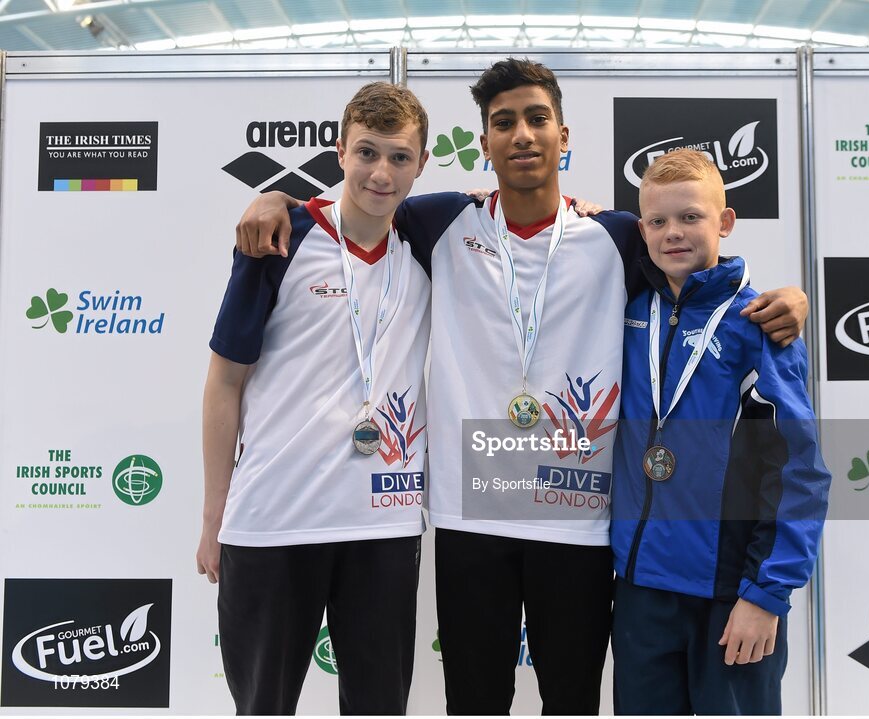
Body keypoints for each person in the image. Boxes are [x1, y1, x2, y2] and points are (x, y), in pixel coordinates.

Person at [234, 59, 809, 715]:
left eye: (538, 119)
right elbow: (358, 202)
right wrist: (273, 200)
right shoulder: (441, 222)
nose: (523, 134)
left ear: (564, 137)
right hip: (470, 517)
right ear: (484, 144)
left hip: (578, 523)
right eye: (503, 122)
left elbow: (700, 270)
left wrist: (789, 298)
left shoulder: (619, 234)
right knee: (475, 703)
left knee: (571, 703)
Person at [196, 82, 431, 715]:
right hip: (274, 519)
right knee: (263, 707)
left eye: (400, 157)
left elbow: (514, 215)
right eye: (367, 153)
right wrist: (214, 516)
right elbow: (224, 381)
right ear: (339, 152)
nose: (382, 173)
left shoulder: (428, 243)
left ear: (422, 163)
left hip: (381, 523)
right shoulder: (278, 238)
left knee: (379, 706)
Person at [610, 149, 830, 714]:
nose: (673, 232)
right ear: (642, 231)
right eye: (657, 222)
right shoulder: (629, 310)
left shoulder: (758, 325)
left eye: (690, 217)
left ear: (724, 223)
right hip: (641, 592)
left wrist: (766, 593)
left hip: (730, 594)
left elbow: (799, 470)